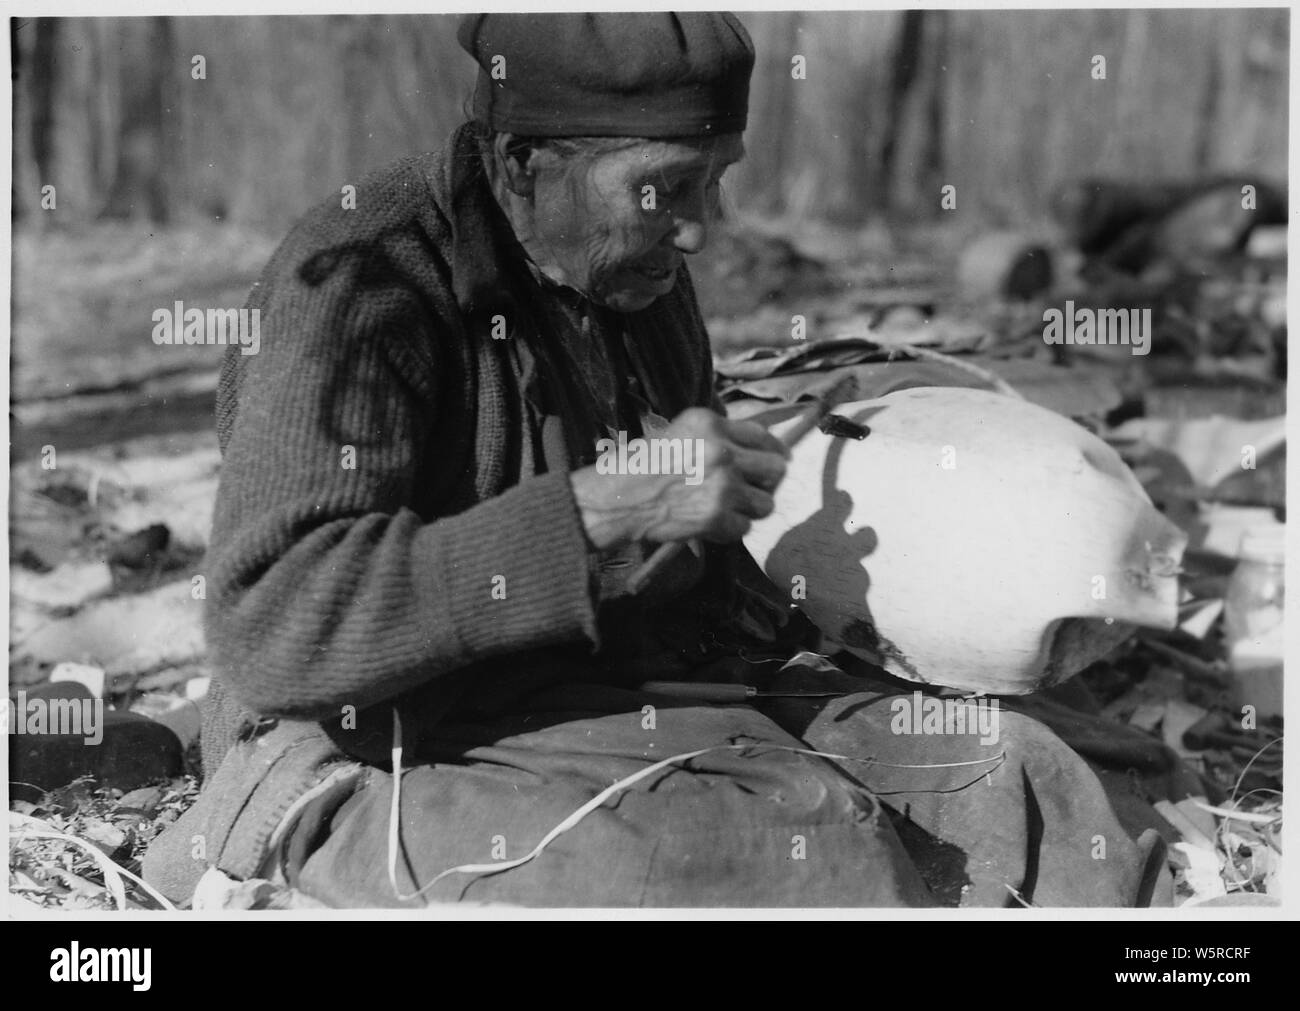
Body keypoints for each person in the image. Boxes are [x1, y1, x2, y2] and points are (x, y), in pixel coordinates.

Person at [146, 12, 1174, 907]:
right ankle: (308, 844)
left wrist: (790, 589)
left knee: (1021, 779)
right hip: (381, 736)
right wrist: (597, 516)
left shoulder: (637, 281)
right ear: (520, 163)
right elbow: (274, 632)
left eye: (715, 181)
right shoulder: (363, 285)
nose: (698, 230)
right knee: (786, 853)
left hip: (615, 693)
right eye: (663, 188)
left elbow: (674, 585)